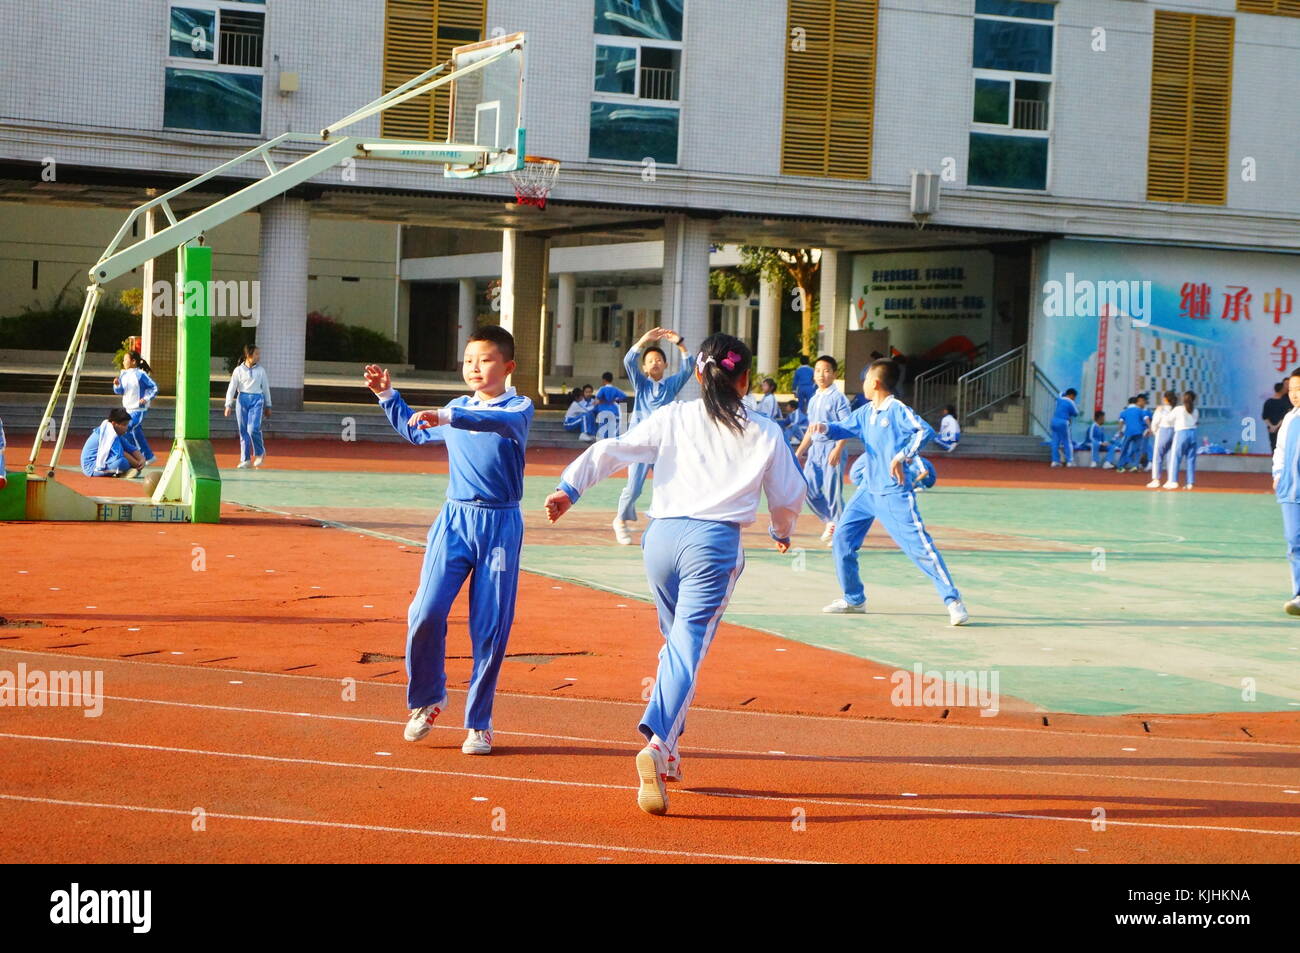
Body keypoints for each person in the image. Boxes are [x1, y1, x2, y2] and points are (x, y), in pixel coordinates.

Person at [543, 333, 805, 816]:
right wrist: (779, 529)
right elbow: (790, 494)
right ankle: (658, 741)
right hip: (713, 544)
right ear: (745, 380)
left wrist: (569, 488)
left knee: (675, 644)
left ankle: (671, 750)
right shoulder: (764, 430)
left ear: (700, 376)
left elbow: (612, 450)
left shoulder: (674, 416)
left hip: (660, 540)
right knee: (688, 648)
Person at [364, 325, 534, 757]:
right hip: (454, 520)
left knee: (490, 627)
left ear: (508, 367)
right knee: (424, 611)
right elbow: (417, 430)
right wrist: (389, 397)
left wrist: (447, 416)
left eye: (487, 359)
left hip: (500, 525)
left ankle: (479, 723)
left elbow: (496, 421)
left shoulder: (518, 408)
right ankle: (428, 697)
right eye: (469, 360)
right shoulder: (455, 407)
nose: (475, 367)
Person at [814, 358, 968, 625]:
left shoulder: (897, 410)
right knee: (842, 540)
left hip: (894, 492)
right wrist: (825, 428)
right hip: (866, 493)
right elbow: (845, 427)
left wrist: (901, 456)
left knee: (920, 548)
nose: (862, 384)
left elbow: (925, 431)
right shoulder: (865, 412)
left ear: (875, 382)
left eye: (864, 379)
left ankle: (953, 601)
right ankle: (854, 599)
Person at [612, 328, 693, 545]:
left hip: (664, 445)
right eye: (650, 360)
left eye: (659, 359)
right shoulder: (642, 385)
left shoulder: (671, 385)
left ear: (665, 365)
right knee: (634, 487)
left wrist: (680, 343)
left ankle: (665, 525)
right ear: (645, 367)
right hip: (641, 443)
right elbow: (629, 361)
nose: (655, 363)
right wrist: (644, 340)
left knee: (670, 485)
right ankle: (620, 520)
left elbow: (689, 367)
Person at [795, 355, 851, 544]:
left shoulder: (838, 398)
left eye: (826, 371)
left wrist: (838, 449)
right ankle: (831, 521)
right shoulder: (813, 399)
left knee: (832, 491)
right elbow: (810, 430)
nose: (821, 375)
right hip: (815, 451)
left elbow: (847, 427)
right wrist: (799, 452)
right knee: (807, 490)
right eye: (818, 371)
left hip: (832, 448)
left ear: (834, 374)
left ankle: (842, 534)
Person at [1272, 369, 1300, 615]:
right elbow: (1280, 450)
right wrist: (1277, 475)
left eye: (1299, 390)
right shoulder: (1290, 418)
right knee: (1294, 542)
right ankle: (1299, 595)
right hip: (1291, 491)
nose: (1295, 395)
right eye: (1292, 390)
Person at [224, 344, 272, 469]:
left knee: (253, 429)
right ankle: (245, 459)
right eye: (256, 354)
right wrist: (228, 404)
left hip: (257, 400)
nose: (258, 356)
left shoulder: (261, 371)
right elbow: (232, 388)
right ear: (248, 355)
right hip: (242, 400)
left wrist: (268, 405)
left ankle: (260, 453)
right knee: (243, 431)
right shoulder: (238, 371)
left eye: (258, 354)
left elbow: (265, 388)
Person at [113, 350, 159, 469]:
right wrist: (117, 385)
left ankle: (137, 456)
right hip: (127, 408)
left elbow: (153, 387)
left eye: (125, 359)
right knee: (135, 432)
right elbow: (120, 391)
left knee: (127, 428)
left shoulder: (140, 374)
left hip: (138, 409)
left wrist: (146, 398)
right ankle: (148, 456)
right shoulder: (123, 374)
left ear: (133, 361)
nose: (123, 362)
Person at [81, 408, 145, 478]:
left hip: (103, 464)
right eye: (124, 425)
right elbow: (121, 454)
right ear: (114, 423)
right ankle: (123, 471)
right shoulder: (108, 434)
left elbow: (130, 447)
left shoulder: (114, 431)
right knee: (121, 462)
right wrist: (137, 464)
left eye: (127, 424)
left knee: (125, 460)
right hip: (92, 469)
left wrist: (142, 459)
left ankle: (123, 471)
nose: (126, 428)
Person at [1165, 390, 1198, 490]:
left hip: (1181, 433)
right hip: (1193, 433)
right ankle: (1190, 482)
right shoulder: (1195, 410)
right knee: (1191, 459)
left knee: (1175, 458)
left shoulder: (1178, 409)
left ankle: (1173, 481)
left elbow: (1168, 420)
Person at [1146, 390, 1177, 489]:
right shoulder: (1176, 409)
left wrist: (1154, 432)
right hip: (1174, 432)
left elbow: (1155, 422)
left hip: (1162, 431)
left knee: (1157, 456)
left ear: (1165, 399)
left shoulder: (1160, 409)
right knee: (1170, 457)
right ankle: (1170, 480)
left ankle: (1156, 479)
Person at [1116, 394, 1149, 472]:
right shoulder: (1140, 410)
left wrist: (1120, 431)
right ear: (1136, 402)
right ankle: (1135, 466)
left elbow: (1121, 422)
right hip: (1139, 432)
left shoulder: (1124, 411)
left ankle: (1120, 466)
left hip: (1128, 432)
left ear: (1128, 403)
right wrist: (1150, 428)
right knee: (1137, 449)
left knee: (1124, 449)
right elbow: (1146, 419)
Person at [1049, 388, 1080, 467]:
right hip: (1063, 422)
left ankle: (1054, 461)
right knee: (1067, 442)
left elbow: (1060, 392)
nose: (1074, 399)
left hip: (1054, 421)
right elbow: (1076, 413)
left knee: (1055, 442)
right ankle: (1070, 461)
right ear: (1072, 395)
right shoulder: (1071, 402)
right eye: (1074, 397)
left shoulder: (1059, 399)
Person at [593, 372, 626, 439]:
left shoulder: (602, 389)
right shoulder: (615, 389)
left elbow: (597, 399)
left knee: (602, 429)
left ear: (604, 380)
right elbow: (623, 396)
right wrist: (615, 400)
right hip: (613, 410)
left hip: (603, 410)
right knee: (612, 430)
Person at [1263, 380, 1289, 452]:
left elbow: (1265, 417)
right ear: (1282, 390)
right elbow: (1285, 416)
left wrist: (1272, 426)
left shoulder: (1268, 401)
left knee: (1274, 447)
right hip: (1281, 429)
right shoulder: (1284, 402)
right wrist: (1277, 426)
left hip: (1272, 430)